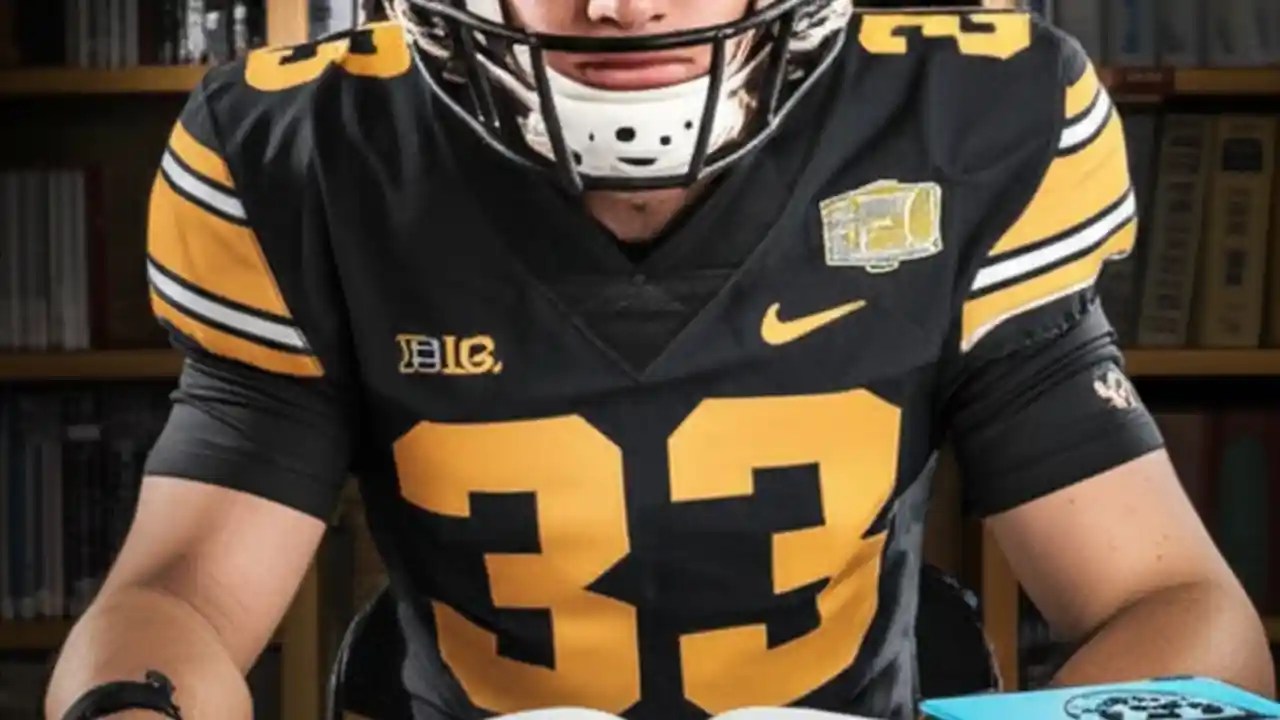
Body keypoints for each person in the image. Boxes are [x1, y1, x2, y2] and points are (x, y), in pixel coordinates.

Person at [45, 0, 1276, 718]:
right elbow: (181, 596)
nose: (623, 4)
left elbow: (1172, 603)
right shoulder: (300, 146)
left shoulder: (971, 114)